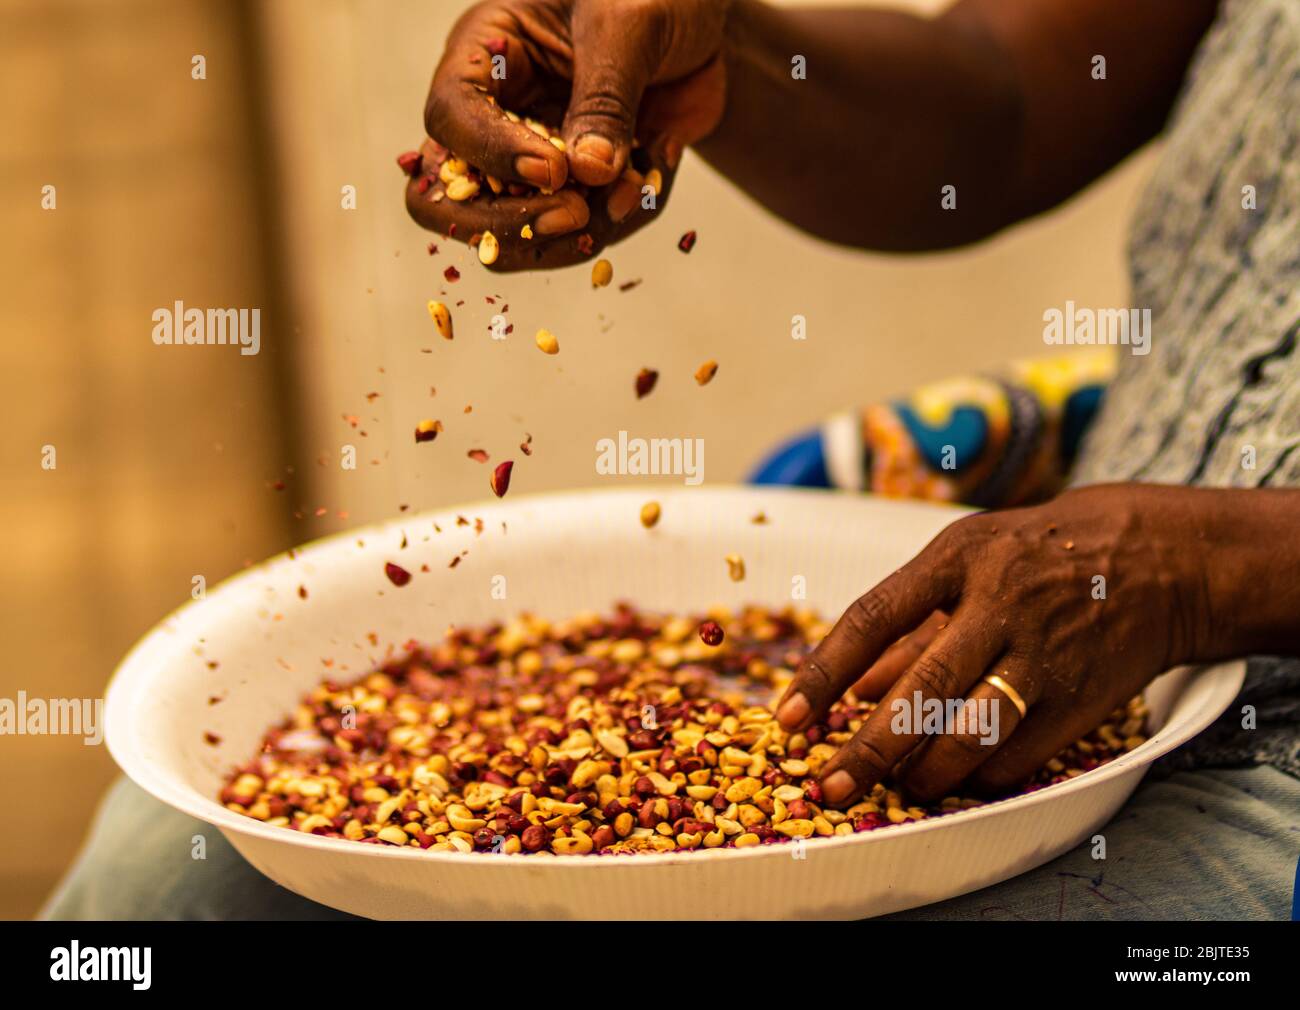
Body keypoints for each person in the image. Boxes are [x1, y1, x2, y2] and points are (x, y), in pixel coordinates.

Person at [45, 0, 1298, 919]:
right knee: (169, 869)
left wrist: (1199, 567)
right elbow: (1005, 104)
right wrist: (715, 49)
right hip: (1097, 606)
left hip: (1266, 730)